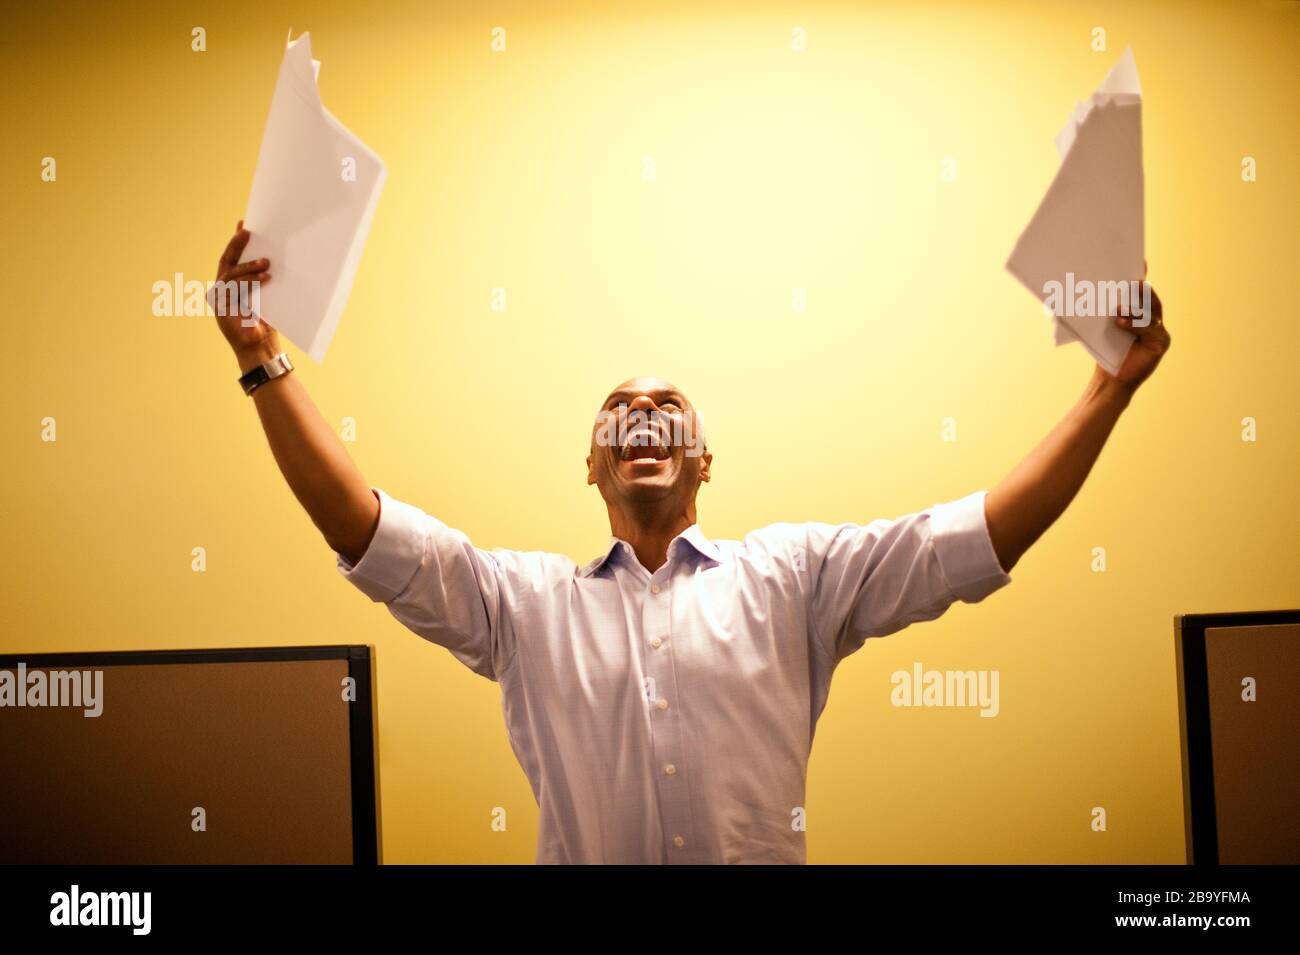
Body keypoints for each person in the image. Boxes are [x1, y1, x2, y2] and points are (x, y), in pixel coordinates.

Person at [211, 220, 1170, 863]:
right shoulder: (521, 606)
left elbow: (974, 537)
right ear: (591, 466)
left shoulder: (797, 579)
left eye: (667, 407)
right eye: (619, 411)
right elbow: (365, 527)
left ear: (704, 461)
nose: (642, 417)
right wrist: (262, 358)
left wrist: (1109, 389)